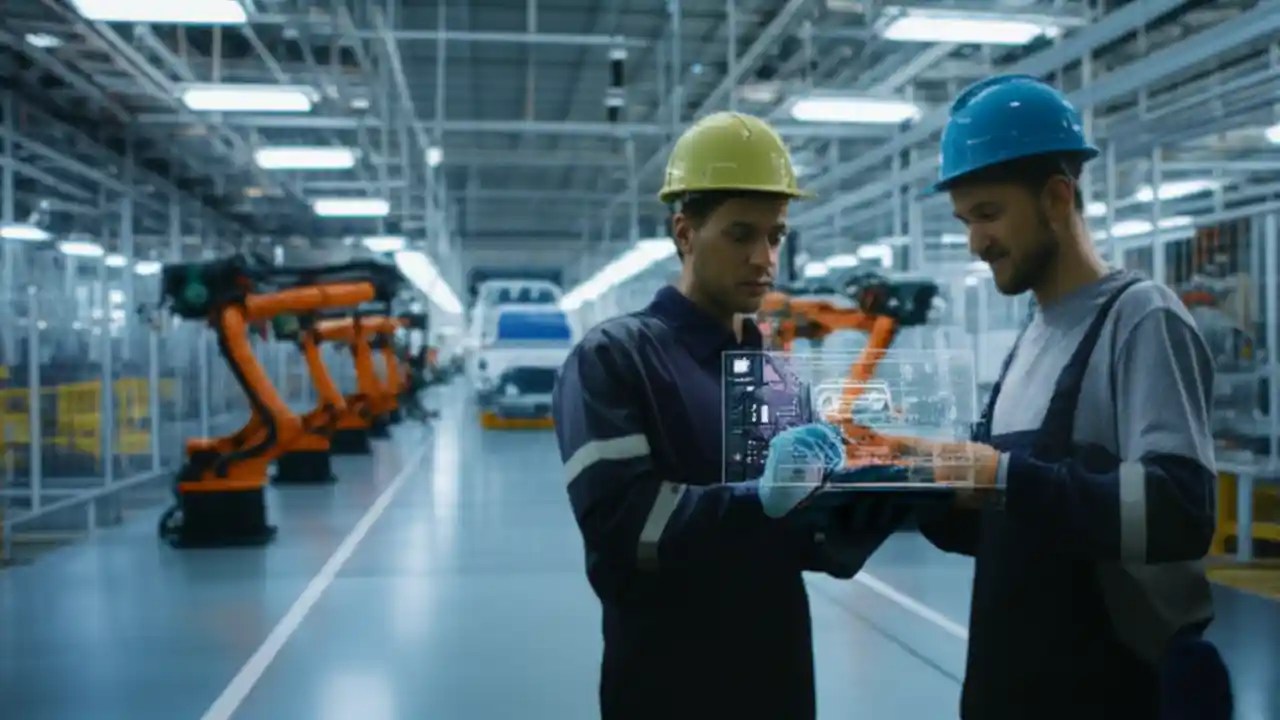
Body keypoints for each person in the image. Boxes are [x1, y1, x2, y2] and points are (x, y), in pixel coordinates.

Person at [551, 112, 905, 720]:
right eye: (741, 234)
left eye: (775, 236)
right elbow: (621, 533)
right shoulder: (616, 358)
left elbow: (797, 541)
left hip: (779, 681)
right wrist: (754, 501)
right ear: (685, 232)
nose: (763, 258)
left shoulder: (772, 370)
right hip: (668, 688)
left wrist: (871, 501)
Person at [900, 74, 1233, 719]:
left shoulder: (1140, 319)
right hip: (1017, 686)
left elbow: (1178, 509)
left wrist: (1002, 477)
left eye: (989, 214)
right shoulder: (1032, 337)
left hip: (1108, 690)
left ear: (1057, 197)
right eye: (966, 221)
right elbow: (1020, 528)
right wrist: (915, 490)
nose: (976, 242)